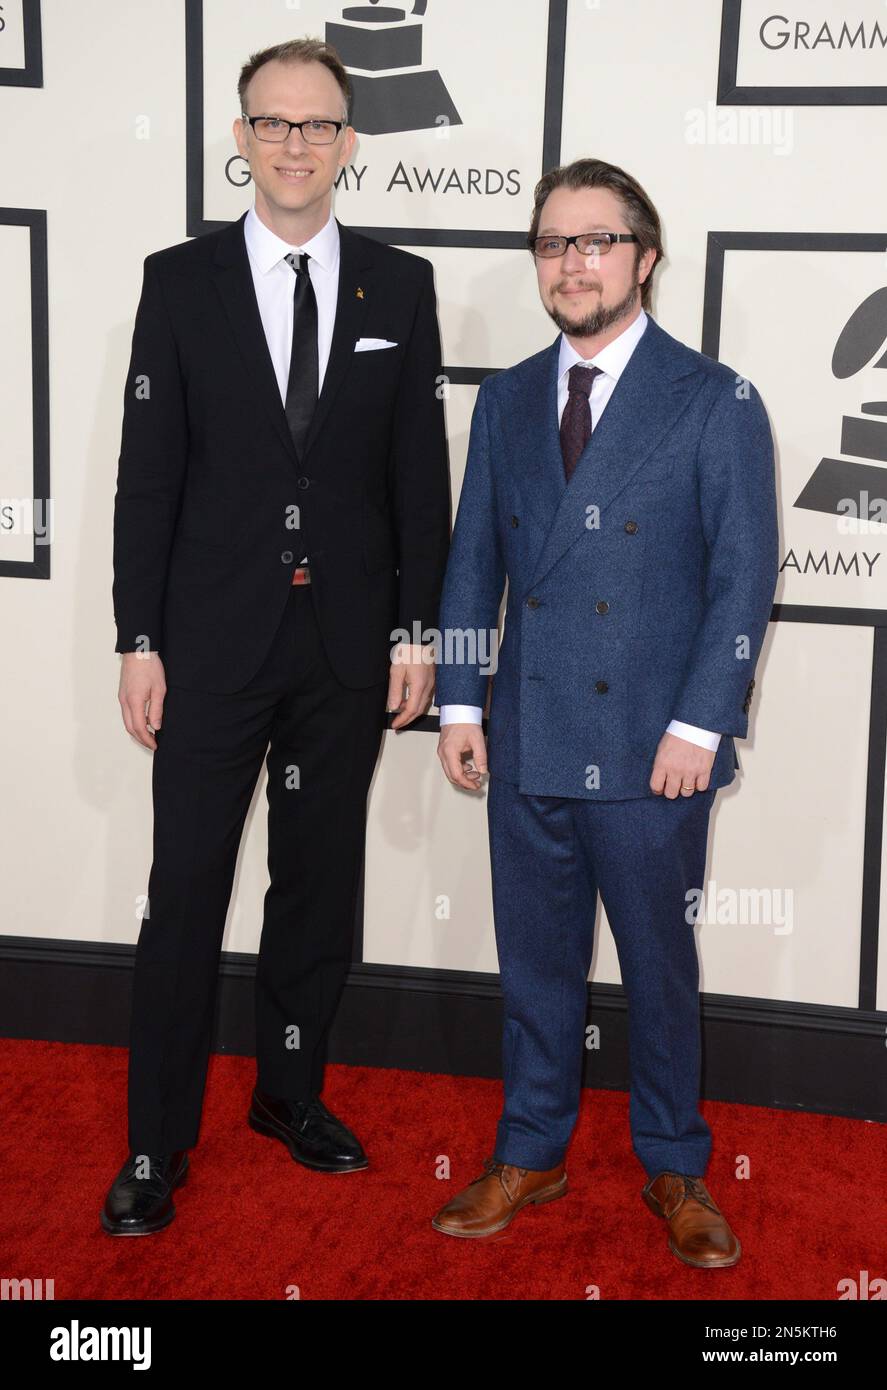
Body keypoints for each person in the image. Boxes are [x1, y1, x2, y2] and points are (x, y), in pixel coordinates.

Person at [104, 38, 449, 1236]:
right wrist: (136, 636)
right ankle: (155, 1141)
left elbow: (420, 474)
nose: (295, 144)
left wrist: (420, 629)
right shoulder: (178, 279)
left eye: (318, 125)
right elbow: (148, 476)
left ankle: (289, 1093)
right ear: (241, 139)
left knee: (317, 887)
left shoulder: (398, 287)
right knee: (184, 890)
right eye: (273, 123)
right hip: (206, 645)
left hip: (344, 648)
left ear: (349, 143)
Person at [433, 157, 778, 1267]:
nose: (571, 262)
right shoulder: (503, 398)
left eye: (594, 240)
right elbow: (469, 557)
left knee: (655, 968)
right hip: (526, 730)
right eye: (551, 244)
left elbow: (741, 574)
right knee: (533, 965)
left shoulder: (711, 398)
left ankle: (675, 1163)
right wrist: (454, 696)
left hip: (650, 746)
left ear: (644, 256)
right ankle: (530, 1150)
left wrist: (699, 723)